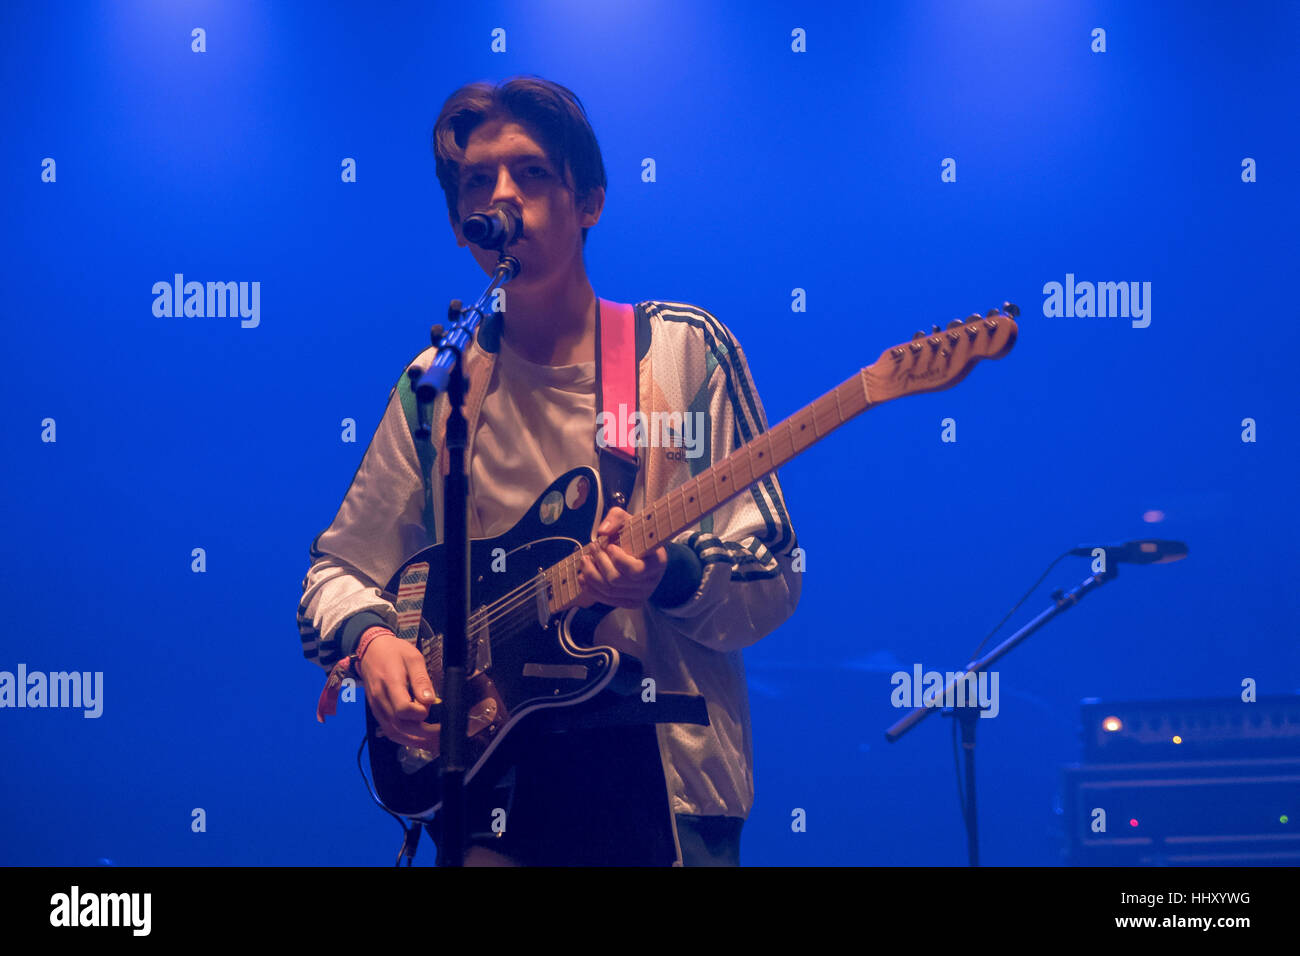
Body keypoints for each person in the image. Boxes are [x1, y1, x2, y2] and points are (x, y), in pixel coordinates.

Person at [297, 75, 801, 866]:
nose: (503, 196)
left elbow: (773, 572)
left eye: (532, 173)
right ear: (463, 227)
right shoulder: (441, 381)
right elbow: (337, 571)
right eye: (477, 183)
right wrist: (372, 644)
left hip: (663, 784)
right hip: (491, 784)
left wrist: (667, 574)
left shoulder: (681, 353)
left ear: (590, 200)